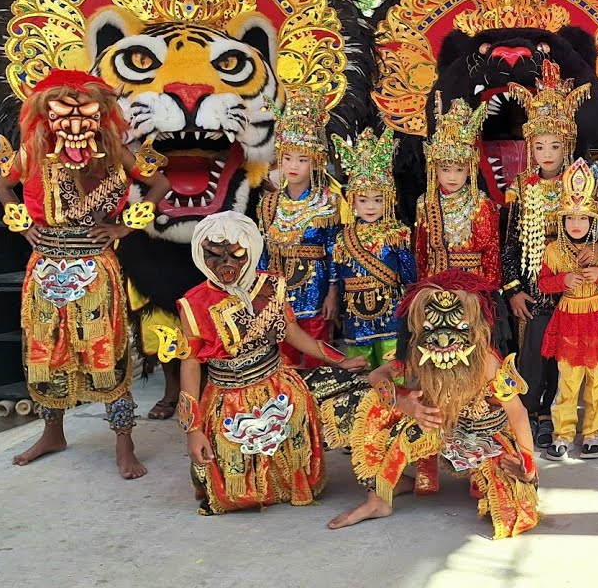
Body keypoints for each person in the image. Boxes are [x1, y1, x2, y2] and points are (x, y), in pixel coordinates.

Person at [0, 69, 170, 479]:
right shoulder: (32, 151)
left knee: (105, 351)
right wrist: (22, 223)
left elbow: (158, 183)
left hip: (97, 268)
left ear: (100, 114)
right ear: (45, 115)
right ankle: (52, 432)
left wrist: (124, 226)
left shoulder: (117, 152)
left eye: (84, 114)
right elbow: (2, 187)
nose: (74, 125)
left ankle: (124, 442)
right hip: (46, 267)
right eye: (62, 114)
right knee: (45, 351)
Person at [167, 212, 367, 515]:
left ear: (251, 249)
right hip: (227, 399)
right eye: (213, 255)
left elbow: (293, 332)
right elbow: (191, 363)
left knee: (354, 396)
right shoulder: (193, 303)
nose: (225, 265)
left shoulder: (271, 286)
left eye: (236, 255)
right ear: (199, 253)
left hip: (277, 384)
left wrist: (340, 360)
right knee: (231, 491)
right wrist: (193, 429)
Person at [327, 274, 540, 539]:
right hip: (436, 428)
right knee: (375, 402)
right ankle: (378, 498)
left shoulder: (487, 362)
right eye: (432, 328)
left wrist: (528, 467)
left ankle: (484, 477)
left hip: (483, 437)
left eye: (456, 327)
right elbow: (376, 376)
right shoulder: (418, 353)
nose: (442, 341)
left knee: (513, 506)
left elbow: (517, 413)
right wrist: (405, 404)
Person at [502, 61, 592, 448]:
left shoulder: (585, 180)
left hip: (573, 288)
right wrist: (513, 289)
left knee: (567, 358)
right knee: (533, 354)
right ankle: (528, 413)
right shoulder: (521, 186)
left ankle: (557, 418)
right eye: (539, 146)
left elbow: (596, 234)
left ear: (567, 144)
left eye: (555, 146)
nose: (547, 154)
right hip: (535, 288)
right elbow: (509, 243)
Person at [538, 158, 598, 460]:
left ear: (593, 222)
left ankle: (593, 433)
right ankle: (562, 434)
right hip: (569, 320)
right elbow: (543, 285)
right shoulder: (552, 251)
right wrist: (563, 280)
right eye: (571, 219)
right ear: (561, 221)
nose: (577, 225)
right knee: (568, 381)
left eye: (584, 219)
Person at [258, 88, 342, 369]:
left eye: (302, 159)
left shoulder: (327, 202)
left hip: (316, 293)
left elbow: (333, 252)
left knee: (319, 357)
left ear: (315, 161)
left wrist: (333, 293)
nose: (293, 166)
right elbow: (263, 255)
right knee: (283, 361)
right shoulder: (269, 204)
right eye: (288, 158)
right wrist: (262, 293)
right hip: (280, 293)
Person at [331, 129, 416, 369]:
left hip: (391, 310)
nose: (370, 206)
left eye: (378, 200)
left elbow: (410, 277)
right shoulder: (343, 237)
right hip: (354, 315)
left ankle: (398, 404)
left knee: (394, 364)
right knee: (361, 365)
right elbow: (338, 278)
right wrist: (337, 306)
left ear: (389, 199)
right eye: (363, 200)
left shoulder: (397, 234)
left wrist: (412, 307)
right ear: (353, 200)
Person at [415, 95, 501, 287]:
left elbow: (491, 253)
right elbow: (421, 253)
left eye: (459, 170)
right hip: (435, 283)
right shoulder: (426, 203)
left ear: (470, 170)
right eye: (445, 169)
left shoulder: (481, 203)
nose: (452, 177)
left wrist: (490, 289)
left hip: (473, 283)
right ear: (434, 169)